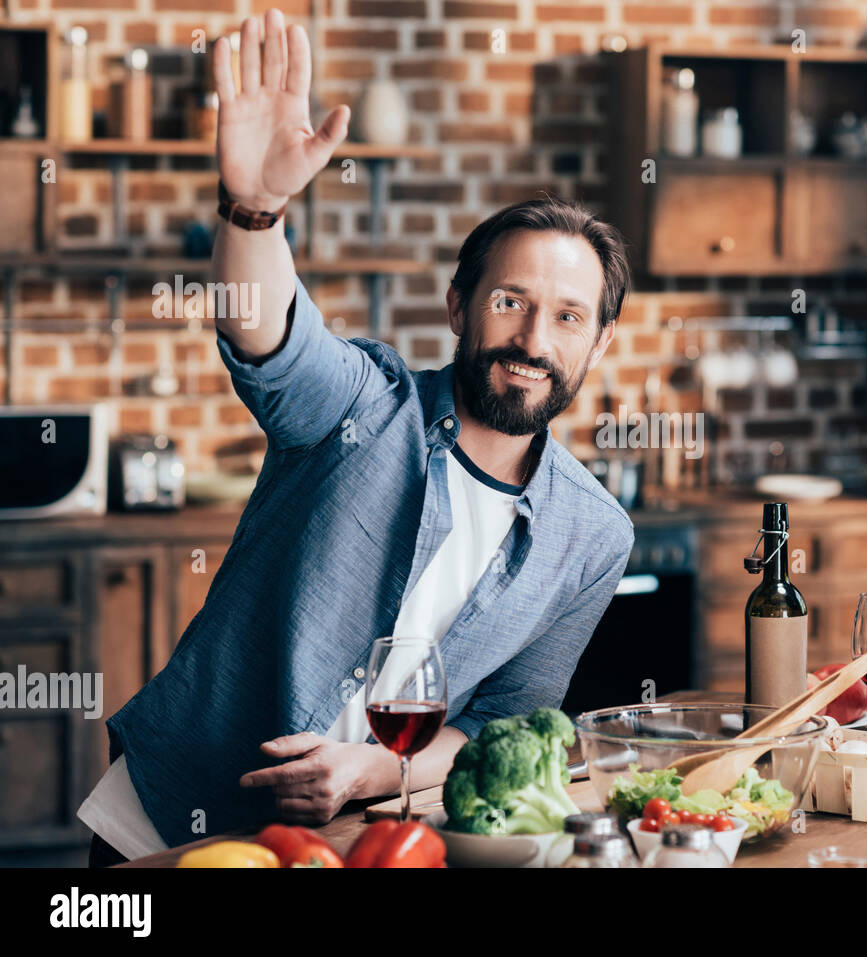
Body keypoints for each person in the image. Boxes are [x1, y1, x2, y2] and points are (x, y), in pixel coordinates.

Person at [79, 9, 634, 863]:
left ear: (597, 343)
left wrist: (368, 772)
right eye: (511, 302)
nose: (533, 341)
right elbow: (267, 332)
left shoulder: (594, 535)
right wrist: (256, 208)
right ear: (459, 307)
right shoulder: (360, 405)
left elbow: (497, 731)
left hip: (354, 840)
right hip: (171, 822)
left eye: (567, 317)